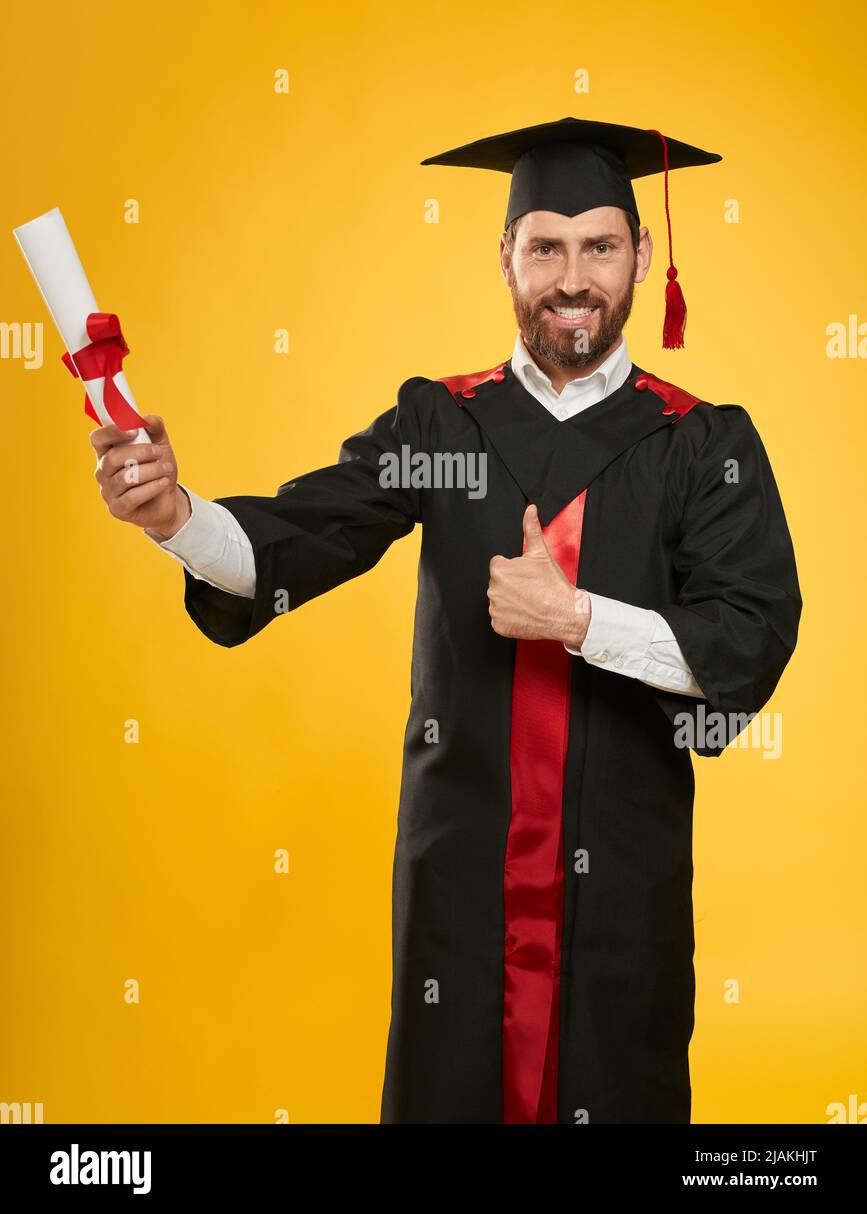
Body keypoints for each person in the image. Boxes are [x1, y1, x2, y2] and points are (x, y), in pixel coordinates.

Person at [91, 117, 802, 1124]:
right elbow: (291, 542)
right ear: (505, 257)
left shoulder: (699, 443)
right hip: (460, 885)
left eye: (600, 245)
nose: (571, 276)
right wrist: (173, 515)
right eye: (544, 245)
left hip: (622, 884)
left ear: (643, 256)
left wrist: (578, 617)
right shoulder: (443, 425)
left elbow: (750, 643)